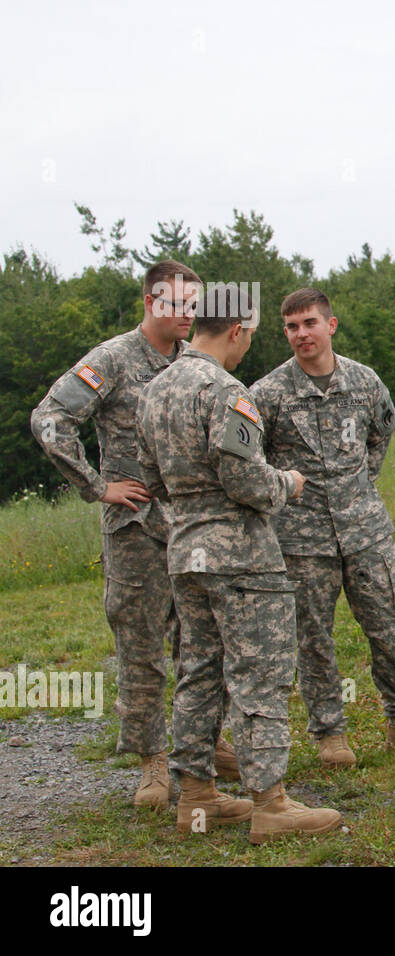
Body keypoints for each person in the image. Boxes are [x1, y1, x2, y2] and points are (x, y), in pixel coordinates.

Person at [30, 259, 238, 809]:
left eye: (194, 305)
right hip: (137, 529)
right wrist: (98, 486)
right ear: (150, 302)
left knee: (202, 643)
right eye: (177, 304)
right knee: (141, 648)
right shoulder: (114, 358)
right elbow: (50, 419)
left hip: (193, 525)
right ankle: (152, 762)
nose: (188, 314)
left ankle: (206, 745)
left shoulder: (195, 362)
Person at [137, 285, 341, 843]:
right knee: (260, 676)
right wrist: (288, 483)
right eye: (249, 334)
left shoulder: (153, 391)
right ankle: (270, 803)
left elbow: (151, 478)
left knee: (199, 674)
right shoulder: (229, 393)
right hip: (242, 559)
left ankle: (196, 797)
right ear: (236, 331)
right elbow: (246, 479)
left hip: (186, 552)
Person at [250, 288, 395, 765]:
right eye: (292, 326)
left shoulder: (364, 381)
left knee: (390, 625)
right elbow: (253, 460)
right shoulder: (268, 393)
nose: (302, 334)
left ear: (331, 325)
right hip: (301, 539)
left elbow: (381, 434)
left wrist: (356, 486)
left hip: (365, 531)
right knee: (313, 638)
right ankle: (329, 734)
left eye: (310, 323)